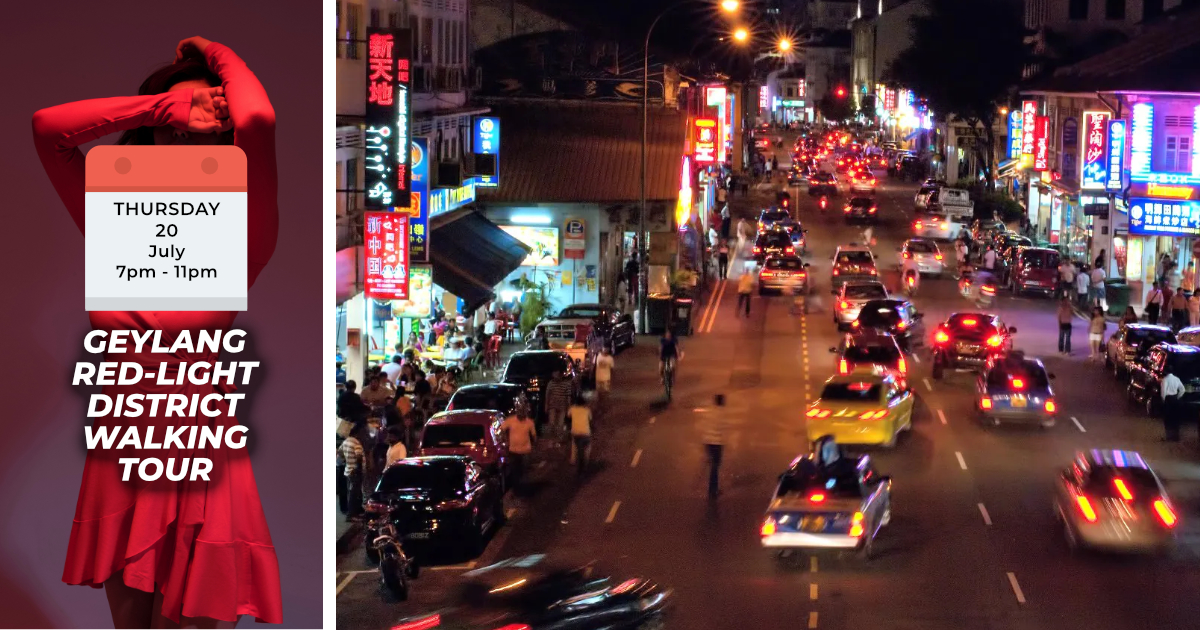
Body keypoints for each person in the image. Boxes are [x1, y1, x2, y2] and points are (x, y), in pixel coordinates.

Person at [34, 35, 283, 626]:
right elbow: (47, 129)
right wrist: (154, 106)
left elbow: (258, 116)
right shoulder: (113, 208)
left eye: (204, 116)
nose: (187, 125)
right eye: (174, 117)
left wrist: (212, 52)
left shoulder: (242, 216)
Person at [700, 394, 732, 499]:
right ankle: (712, 490)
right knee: (715, 467)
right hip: (717, 443)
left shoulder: (709, 412)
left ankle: (713, 489)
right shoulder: (722, 414)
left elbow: (704, 425)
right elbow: (724, 430)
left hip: (708, 442)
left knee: (712, 465)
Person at [501, 407, 537, 488]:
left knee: (524, 470)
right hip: (513, 450)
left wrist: (535, 444)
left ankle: (524, 488)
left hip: (525, 450)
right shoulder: (510, 420)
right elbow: (502, 429)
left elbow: (534, 435)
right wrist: (505, 439)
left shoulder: (529, 422)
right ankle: (516, 488)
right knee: (514, 470)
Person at [341, 424, 369, 519]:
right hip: (355, 472)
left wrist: (347, 460)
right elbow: (359, 457)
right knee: (354, 493)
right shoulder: (356, 443)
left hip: (348, 470)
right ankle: (351, 515)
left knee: (353, 492)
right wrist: (358, 469)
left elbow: (340, 452)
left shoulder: (346, 441)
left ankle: (356, 512)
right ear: (357, 433)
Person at [568, 396, 593, 476]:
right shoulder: (587, 410)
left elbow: (568, 416)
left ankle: (573, 459)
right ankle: (586, 461)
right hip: (586, 433)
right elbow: (590, 419)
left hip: (575, 433)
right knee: (588, 447)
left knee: (574, 443)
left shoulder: (572, 409)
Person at [545, 370, 574, 438]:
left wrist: (569, 407)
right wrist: (546, 405)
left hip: (562, 406)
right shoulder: (551, 383)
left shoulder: (566, 384)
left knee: (560, 424)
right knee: (551, 423)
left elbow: (568, 397)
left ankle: (558, 437)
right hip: (552, 405)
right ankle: (552, 437)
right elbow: (547, 395)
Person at [1161, 365, 1185, 442]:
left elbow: (1163, 392)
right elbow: (1182, 389)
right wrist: (1178, 397)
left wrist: (1163, 400)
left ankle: (1168, 437)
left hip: (1168, 400)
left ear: (1166, 371)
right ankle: (1176, 437)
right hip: (1175, 399)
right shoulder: (1177, 379)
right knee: (1175, 418)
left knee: (1167, 419)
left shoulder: (1165, 380)